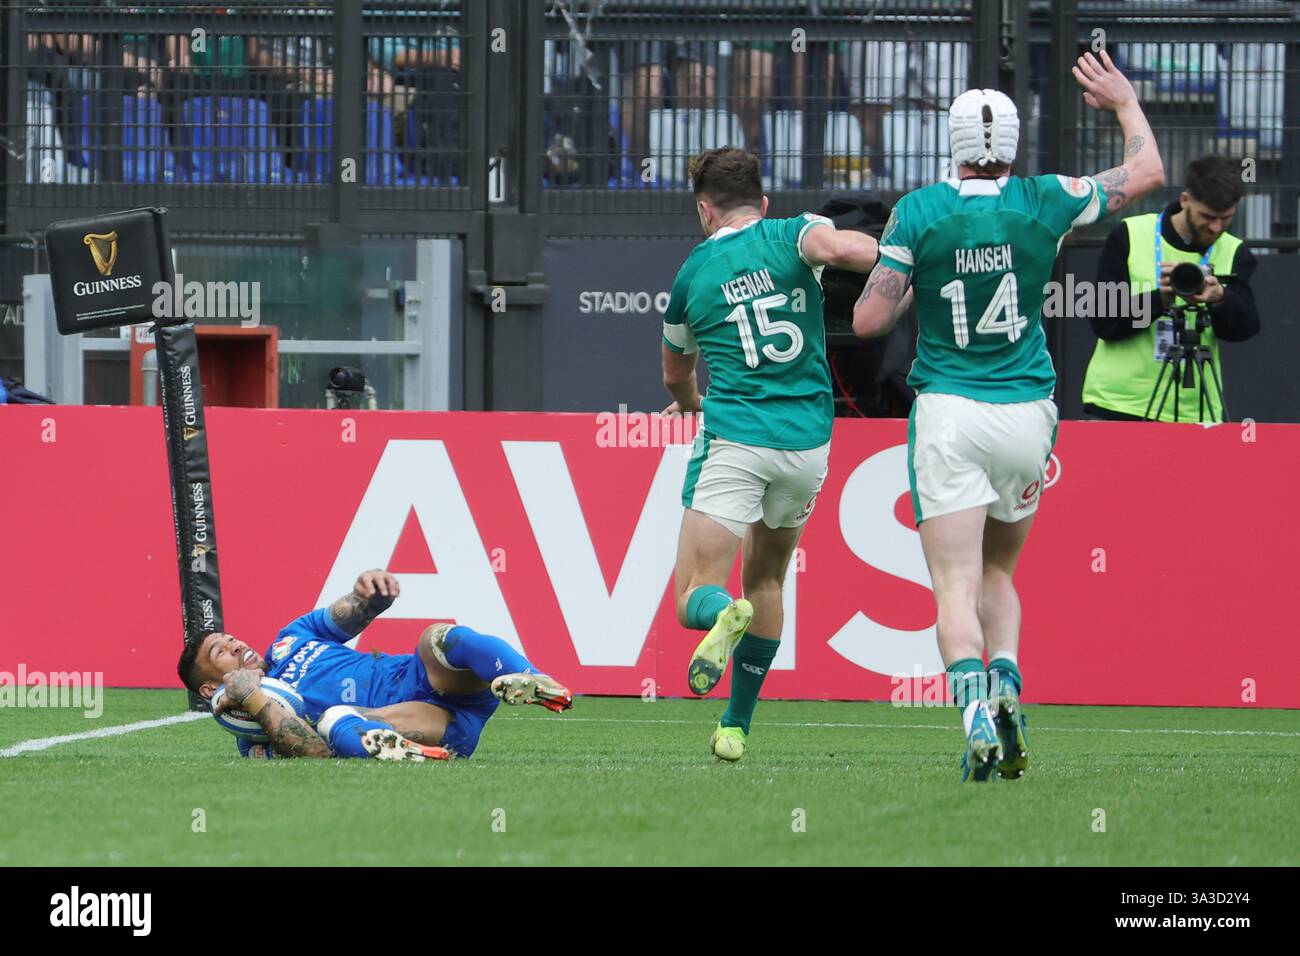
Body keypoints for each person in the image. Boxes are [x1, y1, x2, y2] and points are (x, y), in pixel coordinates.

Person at [852, 51, 1165, 781]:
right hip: (1028, 413)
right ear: (1012, 144)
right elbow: (1146, 173)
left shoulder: (920, 211)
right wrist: (1122, 104)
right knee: (1000, 570)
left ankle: (974, 723)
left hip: (951, 413)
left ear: (952, 145)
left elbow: (869, 321)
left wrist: (911, 283)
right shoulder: (1047, 197)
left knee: (952, 587)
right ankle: (1009, 693)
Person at [661, 147, 879, 762]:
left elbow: (674, 373)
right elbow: (842, 252)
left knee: (694, 597)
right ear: (763, 203)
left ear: (704, 211)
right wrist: (907, 264)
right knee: (769, 581)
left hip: (736, 439)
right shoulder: (795, 232)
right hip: (807, 446)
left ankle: (721, 613)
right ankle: (736, 728)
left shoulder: (692, 276)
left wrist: (692, 401)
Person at [177, 569, 572, 760]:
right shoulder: (251, 732)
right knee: (335, 721)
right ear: (212, 688)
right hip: (420, 720)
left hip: (424, 676)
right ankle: (414, 756)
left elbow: (346, 615)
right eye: (222, 653)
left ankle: (528, 677)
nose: (237, 644)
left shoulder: (288, 640)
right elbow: (314, 753)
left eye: (231, 638)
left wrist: (369, 595)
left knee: (436, 636)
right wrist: (253, 698)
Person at [1081, 154, 1259, 422]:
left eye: (1226, 219)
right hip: (1119, 404)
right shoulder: (1129, 235)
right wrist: (1161, 299)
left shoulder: (1235, 251)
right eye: (1207, 216)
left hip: (1195, 411)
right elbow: (1104, 322)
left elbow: (1246, 327)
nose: (1215, 227)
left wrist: (1220, 298)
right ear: (1185, 200)